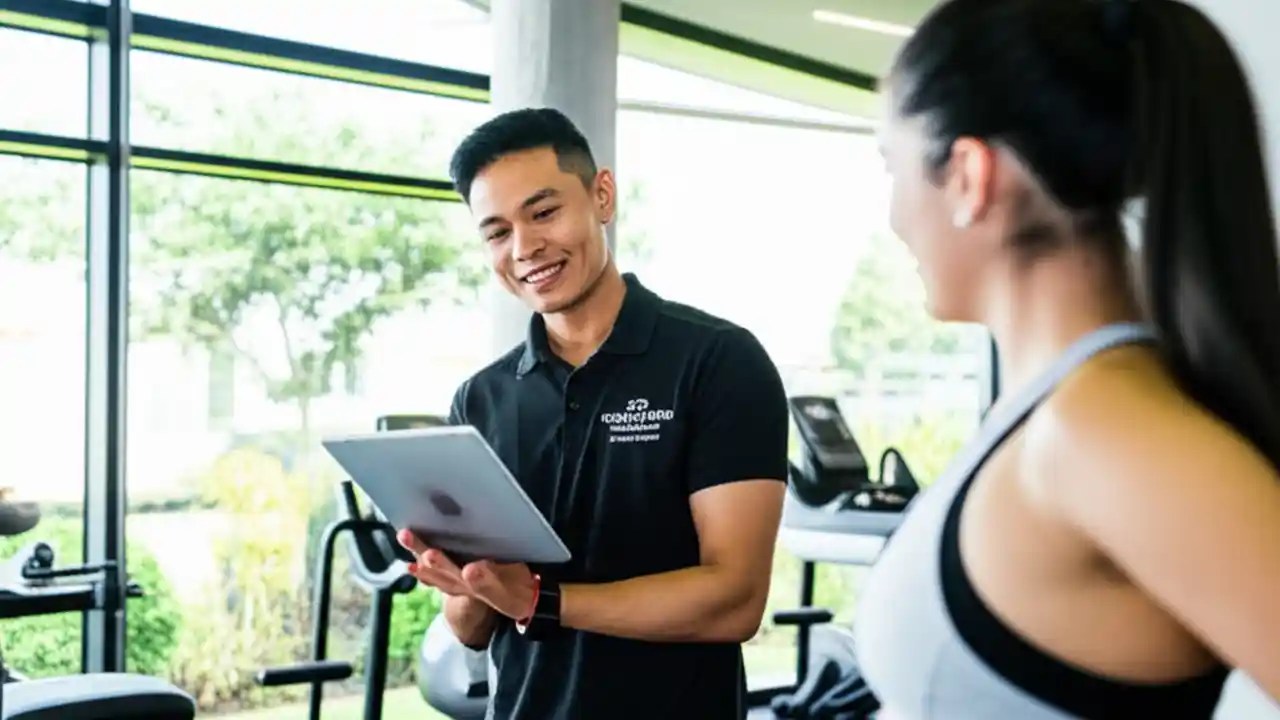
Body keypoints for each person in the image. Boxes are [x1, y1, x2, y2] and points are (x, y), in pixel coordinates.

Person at [852, 0, 1280, 717]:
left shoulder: (1100, 434)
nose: (894, 215)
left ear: (968, 175)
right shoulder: (1057, 414)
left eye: (891, 166)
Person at [395, 107, 790, 719]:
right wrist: (467, 582)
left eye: (544, 212)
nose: (524, 248)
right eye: (496, 232)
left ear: (601, 196)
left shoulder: (718, 361)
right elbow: (469, 630)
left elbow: (734, 600)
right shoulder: (481, 399)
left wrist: (540, 599)